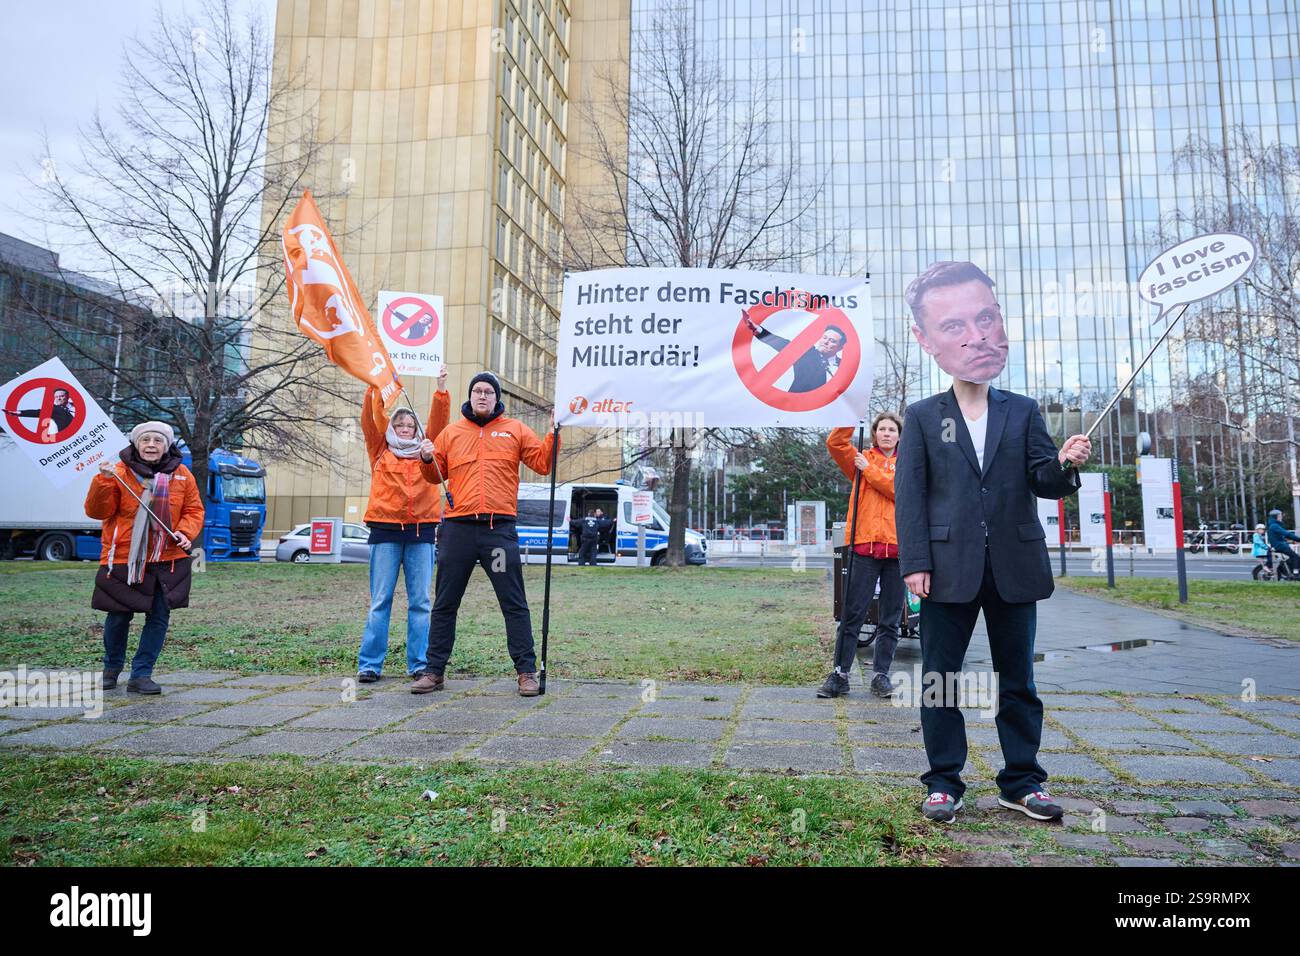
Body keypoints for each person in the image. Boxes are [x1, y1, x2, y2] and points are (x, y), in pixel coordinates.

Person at [894, 261, 1091, 825]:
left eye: (985, 318)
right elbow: (911, 497)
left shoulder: (1022, 410)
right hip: (945, 569)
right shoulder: (924, 417)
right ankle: (942, 783)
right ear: (928, 341)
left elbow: (1044, 483)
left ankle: (1022, 782)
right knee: (939, 680)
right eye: (954, 326)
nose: (975, 335)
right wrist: (914, 564)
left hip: (1013, 566)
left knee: (1018, 680)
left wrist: (1065, 463)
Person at [412, 371, 558, 696]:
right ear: (470, 395)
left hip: (497, 532)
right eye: (477, 390)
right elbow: (434, 476)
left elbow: (543, 463)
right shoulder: (451, 433)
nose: (482, 396)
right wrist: (425, 458)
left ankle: (526, 672)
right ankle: (433, 671)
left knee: (513, 603)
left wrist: (553, 431)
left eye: (488, 392)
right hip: (458, 530)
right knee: (445, 603)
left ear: (496, 398)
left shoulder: (515, 430)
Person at [84, 421, 204, 694]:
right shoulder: (117, 472)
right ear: (136, 443)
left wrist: (186, 532)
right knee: (118, 616)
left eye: (158, 440)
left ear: (167, 445)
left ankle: (141, 675)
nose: (151, 445)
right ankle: (111, 670)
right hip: (124, 556)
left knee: (159, 618)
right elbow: (97, 511)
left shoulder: (183, 474)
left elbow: (194, 509)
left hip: (168, 558)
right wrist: (103, 480)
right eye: (145, 440)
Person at [355, 366, 450, 683]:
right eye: (401, 423)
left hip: (422, 533)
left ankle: (419, 664)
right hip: (385, 532)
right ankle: (370, 664)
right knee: (380, 600)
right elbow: (372, 418)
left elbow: (438, 424)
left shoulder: (428, 449)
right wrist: (375, 387)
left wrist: (440, 391)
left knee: (421, 603)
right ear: (393, 427)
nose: (406, 428)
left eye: (411, 424)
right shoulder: (380, 448)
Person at [819, 411, 905, 700]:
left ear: (899, 435)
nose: (887, 434)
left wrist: (868, 469)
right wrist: (849, 411)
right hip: (863, 549)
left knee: (890, 619)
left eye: (892, 429)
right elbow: (835, 442)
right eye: (882, 429)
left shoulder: (905, 463)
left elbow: (897, 490)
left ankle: (880, 675)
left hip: (897, 552)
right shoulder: (859, 459)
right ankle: (840, 674)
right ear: (874, 433)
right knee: (851, 615)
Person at [741, 309, 846, 393]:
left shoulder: (843, 366)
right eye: (824, 337)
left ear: (840, 347)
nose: (826, 342)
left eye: (832, 341)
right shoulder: (807, 354)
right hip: (798, 409)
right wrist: (757, 329)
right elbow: (782, 344)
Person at [5, 387, 75, 437]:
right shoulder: (54, 409)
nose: (58, 399)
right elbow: (37, 412)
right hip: (70, 437)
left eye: (61, 396)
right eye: (56, 397)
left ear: (67, 396)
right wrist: (19, 412)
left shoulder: (77, 405)